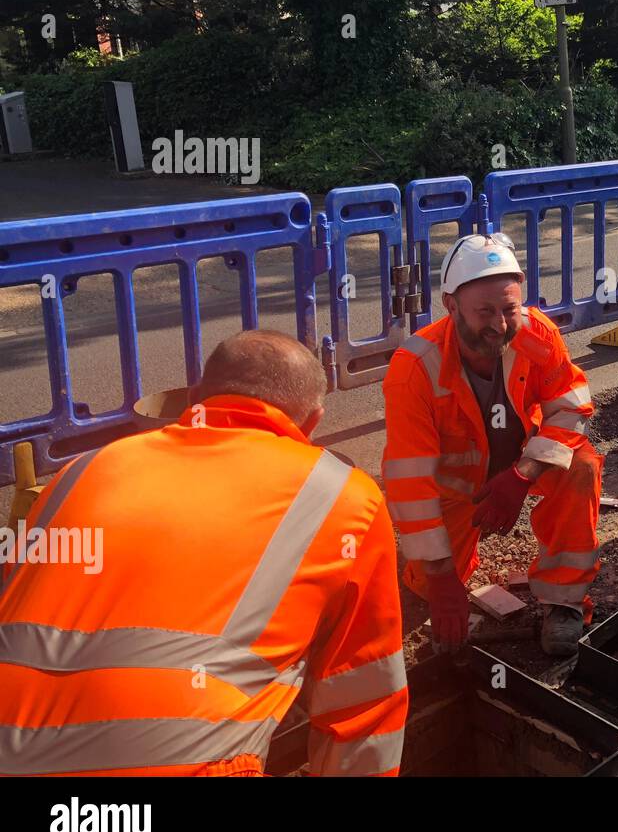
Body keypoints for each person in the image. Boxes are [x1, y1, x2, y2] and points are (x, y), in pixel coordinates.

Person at [0, 329, 407, 776]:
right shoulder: (344, 496)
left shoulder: (82, 471)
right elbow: (362, 702)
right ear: (312, 423)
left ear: (193, 399)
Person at [382, 233, 601, 658]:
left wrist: (521, 477)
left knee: (581, 467)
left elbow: (571, 408)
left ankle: (565, 602)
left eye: (509, 309)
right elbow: (410, 480)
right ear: (450, 306)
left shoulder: (538, 334)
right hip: (456, 483)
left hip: (522, 463)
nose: (500, 325)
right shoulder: (414, 368)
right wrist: (443, 580)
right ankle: (441, 575)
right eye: (485, 311)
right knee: (428, 585)